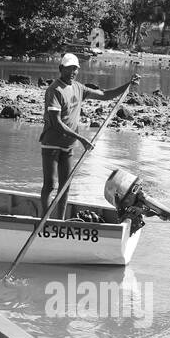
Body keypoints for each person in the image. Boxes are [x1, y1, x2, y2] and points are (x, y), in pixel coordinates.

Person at [39, 53, 138, 217]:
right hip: (51, 143)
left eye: (75, 69)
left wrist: (127, 85)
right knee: (50, 185)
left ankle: (60, 222)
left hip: (68, 145)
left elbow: (105, 95)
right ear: (61, 69)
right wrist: (81, 138)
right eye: (69, 68)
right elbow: (56, 123)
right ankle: (45, 220)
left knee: (65, 186)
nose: (73, 72)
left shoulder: (79, 87)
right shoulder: (54, 90)